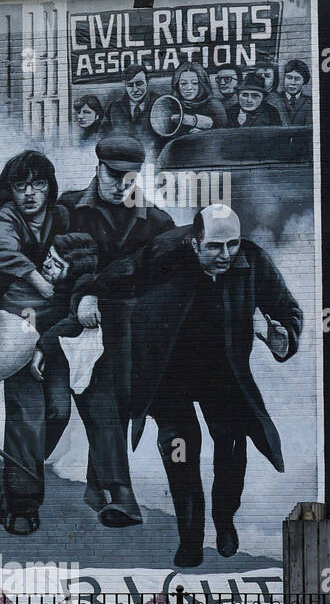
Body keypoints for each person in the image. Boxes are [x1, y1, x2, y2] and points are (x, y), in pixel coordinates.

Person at [75, 204, 302, 567]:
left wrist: (281, 336)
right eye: (214, 246)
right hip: (170, 374)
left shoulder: (252, 260)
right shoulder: (166, 251)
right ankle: (191, 537)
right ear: (194, 244)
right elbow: (121, 273)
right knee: (180, 452)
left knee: (231, 450)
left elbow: (288, 309)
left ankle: (225, 519)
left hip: (223, 374)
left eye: (232, 245)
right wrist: (88, 294)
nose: (225, 255)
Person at [58, 135, 176, 526]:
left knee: (118, 403)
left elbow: (167, 283)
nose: (121, 184)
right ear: (98, 167)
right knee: (102, 399)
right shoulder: (67, 210)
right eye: (114, 175)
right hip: (74, 325)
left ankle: (97, 485)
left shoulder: (157, 221)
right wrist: (81, 298)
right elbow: (48, 267)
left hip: (131, 330)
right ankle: (122, 494)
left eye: (130, 177)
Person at [0, 150, 70, 536]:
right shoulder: (4, 219)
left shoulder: (62, 217)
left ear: (49, 187)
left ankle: (15, 471)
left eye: (38, 184)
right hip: (17, 328)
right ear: (9, 190)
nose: (30, 193)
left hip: (55, 329)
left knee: (59, 412)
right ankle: (22, 503)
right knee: (27, 418)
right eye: (21, 185)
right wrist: (35, 277)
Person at [166, 62, 227, 137]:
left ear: (202, 84)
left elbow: (223, 135)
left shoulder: (214, 106)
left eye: (194, 83)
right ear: (177, 85)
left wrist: (205, 134)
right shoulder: (172, 104)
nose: (189, 88)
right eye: (183, 83)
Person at [105, 65, 158, 148]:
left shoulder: (160, 102)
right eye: (130, 85)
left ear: (147, 82)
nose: (135, 90)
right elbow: (102, 135)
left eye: (139, 84)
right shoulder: (114, 108)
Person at [281, 59, 312, 126]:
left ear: (304, 82)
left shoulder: (310, 103)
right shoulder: (275, 99)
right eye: (289, 78)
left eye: (297, 79)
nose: (292, 83)